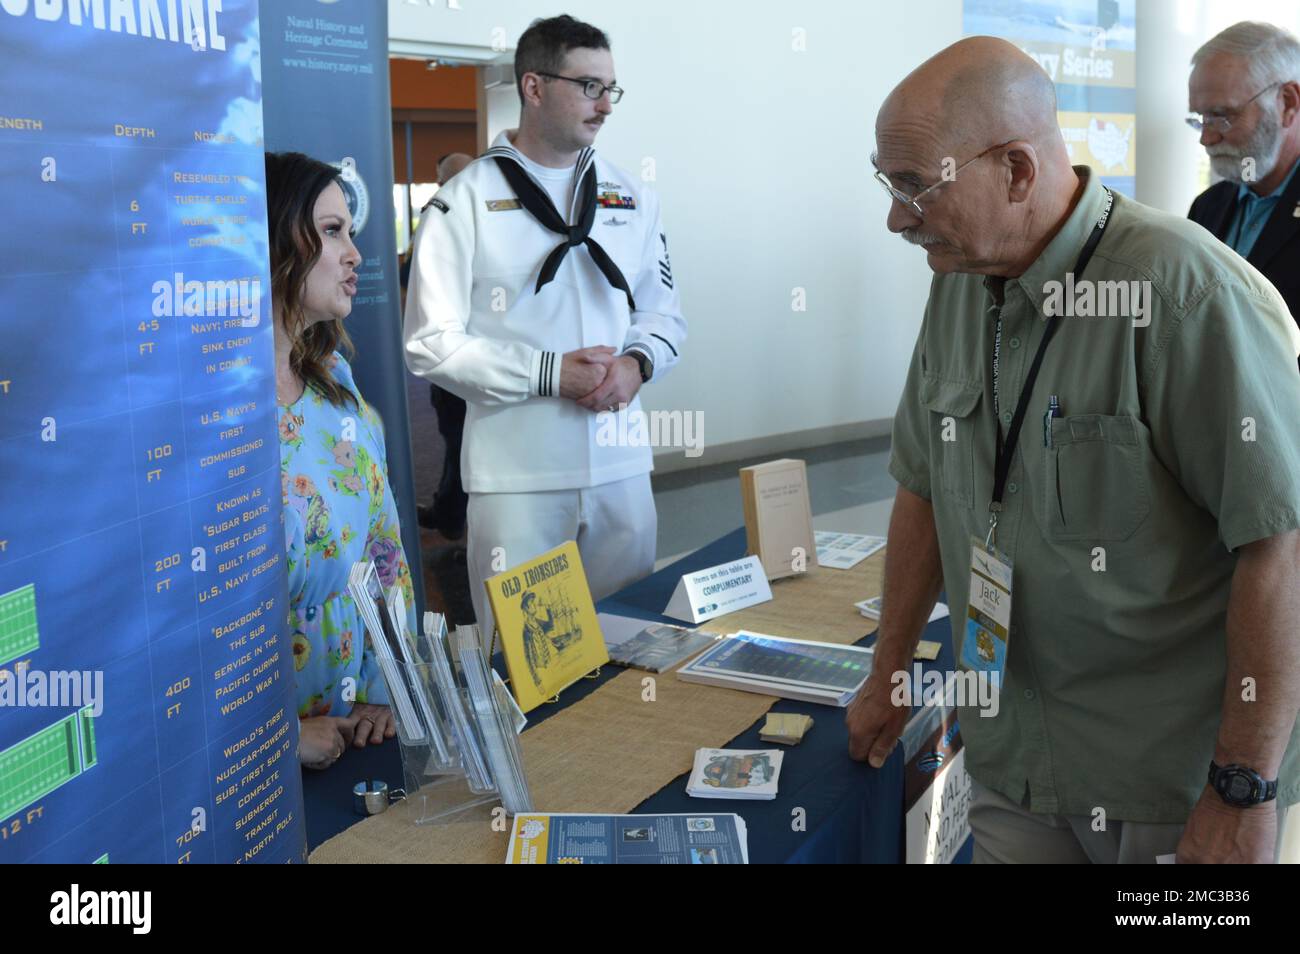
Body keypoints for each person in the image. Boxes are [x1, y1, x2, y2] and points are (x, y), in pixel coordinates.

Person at [847, 37, 1300, 863]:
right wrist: (889, 670)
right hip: (1011, 760)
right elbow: (923, 483)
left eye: (916, 186)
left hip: (1165, 790)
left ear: (1017, 170)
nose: (895, 217)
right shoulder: (957, 281)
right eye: (889, 183)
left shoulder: (1186, 296)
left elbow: (1280, 546)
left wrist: (1243, 788)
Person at [404, 15, 686, 645]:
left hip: (620, 466)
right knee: (529, 663)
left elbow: (664, 313)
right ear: (533, 87)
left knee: (629, 643)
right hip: (518, 477)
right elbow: (429, 341)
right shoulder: (464, 201)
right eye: (589, 86)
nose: (606, 104)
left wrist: (635, 364)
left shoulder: (632, 195)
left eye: (612, 88)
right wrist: (551, 373)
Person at [266, 151, 416, 770]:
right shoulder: (210, 419)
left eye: (350, 231)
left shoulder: (334, 378)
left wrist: (388, 685)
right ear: (273, 239)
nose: (355, 254)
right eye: (332, 232)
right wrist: (275, 739)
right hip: (251, 775)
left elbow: (384, 547)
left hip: (357, 730)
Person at [1187, 22, 1300, 344]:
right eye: (1200, 118)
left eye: (1223, 116)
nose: (1207, 138)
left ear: (1288, 102)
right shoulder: (1207, 207)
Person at [417, 151, 476, 542]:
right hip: (458, 361)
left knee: (461, 446)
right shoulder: (439, 219)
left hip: (470, 363)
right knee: (457, 443)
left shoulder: (447, 219)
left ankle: (455, 519)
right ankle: (449, 511)